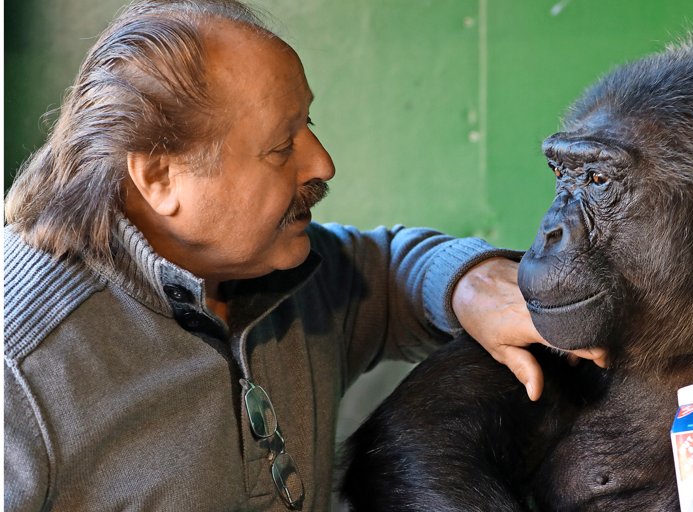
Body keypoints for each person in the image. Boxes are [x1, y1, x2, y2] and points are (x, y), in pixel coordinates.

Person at [3, 1, 604, 510]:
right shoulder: (20, 369)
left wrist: (470, 284)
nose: (322, 165)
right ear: (160, 177)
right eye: (280, 147)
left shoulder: (278, 267)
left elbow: (389, 267)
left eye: (308, 124)